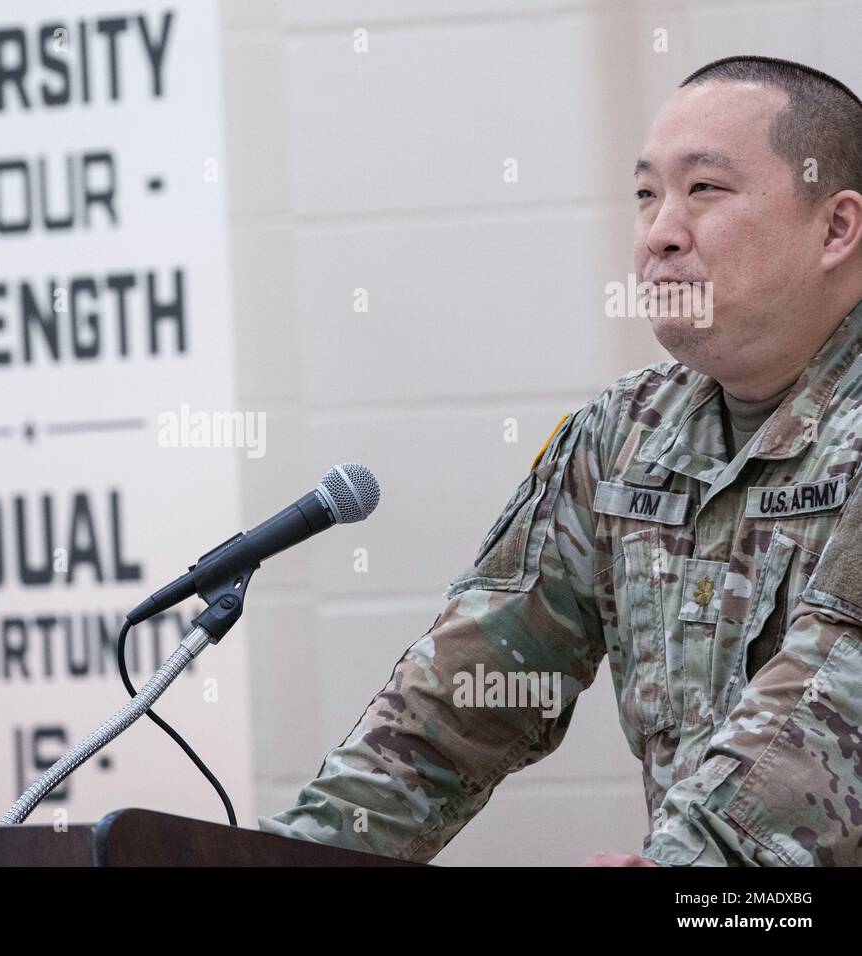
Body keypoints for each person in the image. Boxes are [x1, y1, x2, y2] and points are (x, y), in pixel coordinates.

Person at [257, 55, 862, 866]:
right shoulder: (624, 436)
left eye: (704, 189)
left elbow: (827, 715)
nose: (661, 232)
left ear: (836, 228)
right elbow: (459, 705)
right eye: (645, 195)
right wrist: (292, 857)